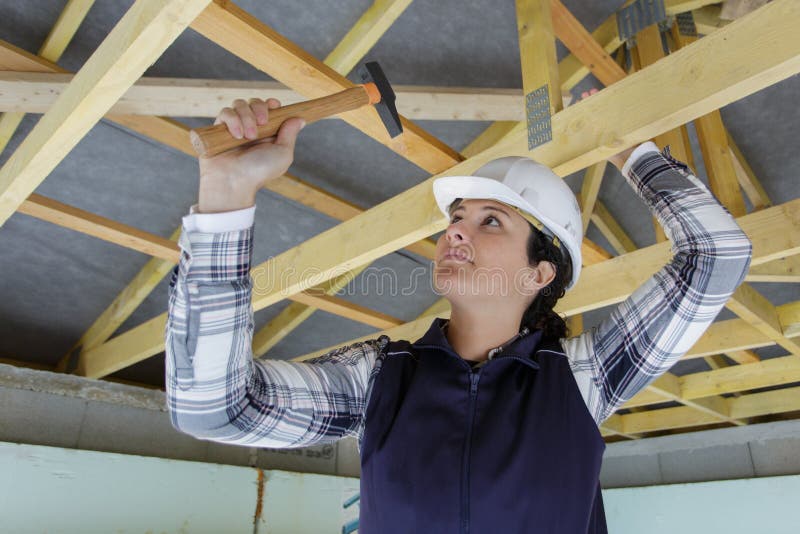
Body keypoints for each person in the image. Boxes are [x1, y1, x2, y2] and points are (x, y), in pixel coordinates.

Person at [165, 97, 752, 533]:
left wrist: (626, 146)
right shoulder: (379, 378)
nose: (455, 232)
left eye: (489, 221)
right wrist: (226, 194)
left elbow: (716, 255)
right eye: (456, 217)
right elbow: (214, 410)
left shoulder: (581, 378)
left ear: (540, 273)